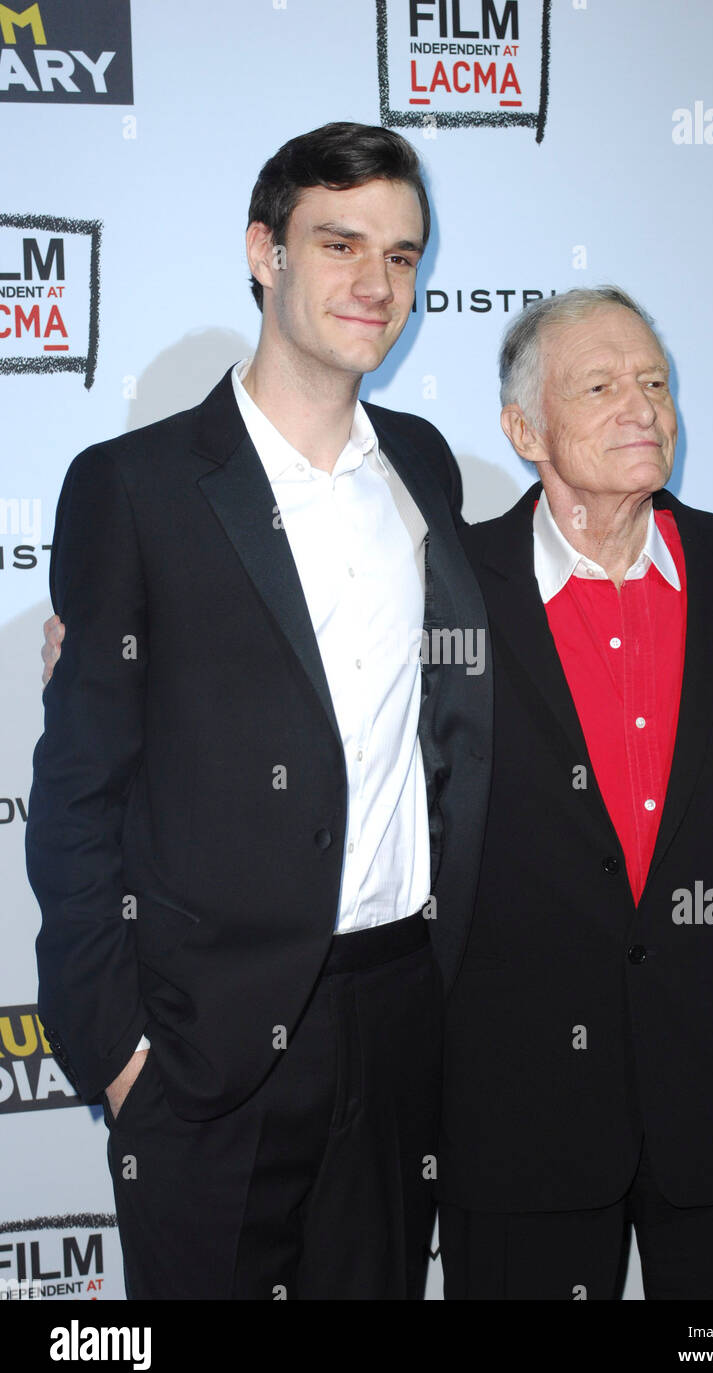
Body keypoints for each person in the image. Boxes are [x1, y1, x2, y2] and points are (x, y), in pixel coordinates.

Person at [25, 122, 492, 1300]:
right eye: (339, 243)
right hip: (203, 1042)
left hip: (397, 1022)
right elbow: (77, 792)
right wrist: (120, 1050)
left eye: (401, 253)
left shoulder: (426, 470)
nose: (375, 283)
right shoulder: (132, 486)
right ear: (262, 251)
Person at [435, 286, 713, 1300]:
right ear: (522, 427)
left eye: (654, 382)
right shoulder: (447, 583)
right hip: (515, 1099)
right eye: (599, 385)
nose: (642, 407)